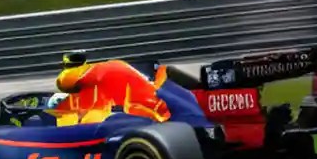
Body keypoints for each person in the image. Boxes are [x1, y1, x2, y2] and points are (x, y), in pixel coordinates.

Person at [50, 51, 210, 127]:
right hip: (162, 108)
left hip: (151, 118)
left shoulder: (90, 73)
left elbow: (64, 81)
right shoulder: (117, 68)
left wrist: (70, 64)